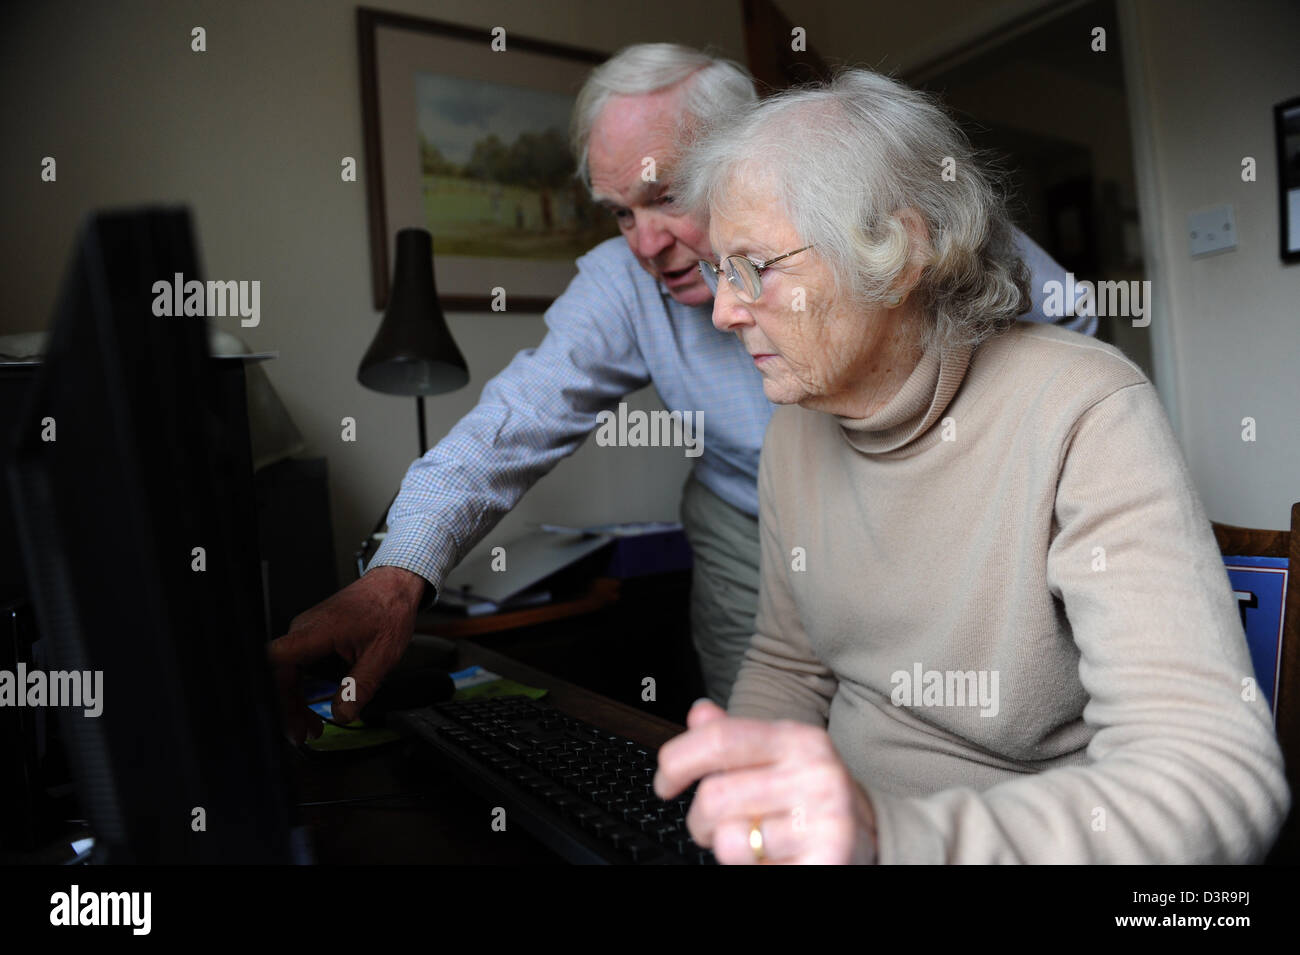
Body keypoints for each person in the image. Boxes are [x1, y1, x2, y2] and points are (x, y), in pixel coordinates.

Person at [270, 44, 1094, 742]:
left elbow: (1068, 327)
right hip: (746, 514)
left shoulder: (880, 216)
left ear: (748, 156)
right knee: (770, 734)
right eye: (619, 213)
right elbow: (509, 426)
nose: (646, 244)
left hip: (921, 504)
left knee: (943, 723)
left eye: (665, 196)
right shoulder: (622, 286)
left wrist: (996, 474)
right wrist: (396, 574)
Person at [651, 69, 1290, 863]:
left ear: (899, 247)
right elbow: (790, 664)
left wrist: (895, 838)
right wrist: (747, 805)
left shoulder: (1084, 410)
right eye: (720, 269)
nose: (723, 310)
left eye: (755, 266)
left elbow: (1216, 777)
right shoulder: (795, 432)